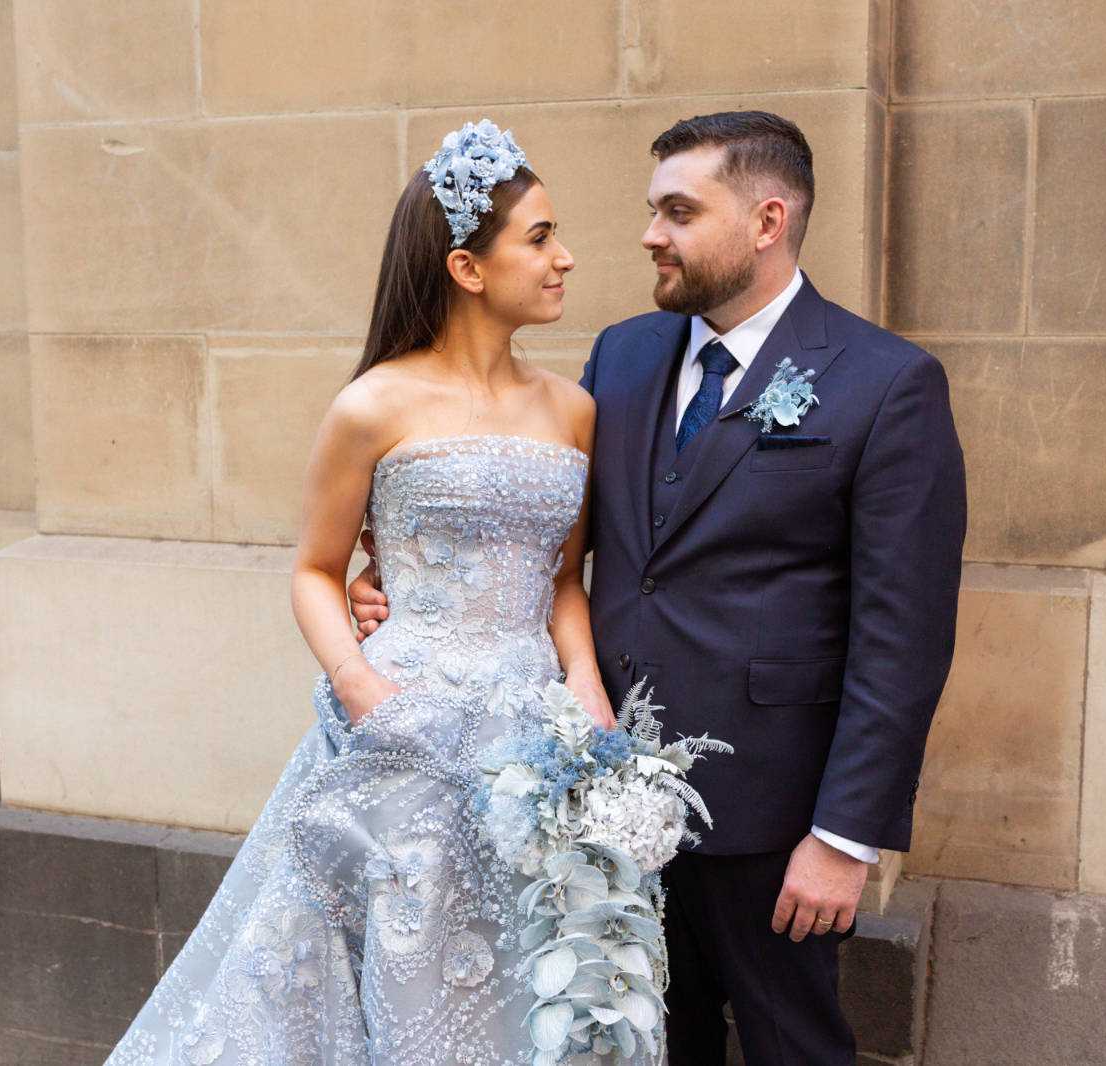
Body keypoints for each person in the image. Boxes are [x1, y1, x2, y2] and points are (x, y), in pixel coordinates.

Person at [349, 111, 967, 1064]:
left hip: (773, 820)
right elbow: (549, 552)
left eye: (679, 212)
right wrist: (390, 583)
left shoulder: (887, 384)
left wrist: (845, 836)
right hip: (598, 806)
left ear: (766, 222)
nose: (650, 235)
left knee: (792, 1045)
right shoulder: (625, 356)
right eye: (652, 210)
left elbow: (905, 637)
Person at [106, 120, 642, 1065]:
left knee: (528, 973)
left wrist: (588, 696)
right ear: (468, 269)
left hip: (532, 732)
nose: (566, 258)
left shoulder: (575, 408)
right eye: (541, 237)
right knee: (397, 968)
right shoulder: (371, 406)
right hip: (403, 729)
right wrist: (362, 689)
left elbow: (564, 580)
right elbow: (314, 569)